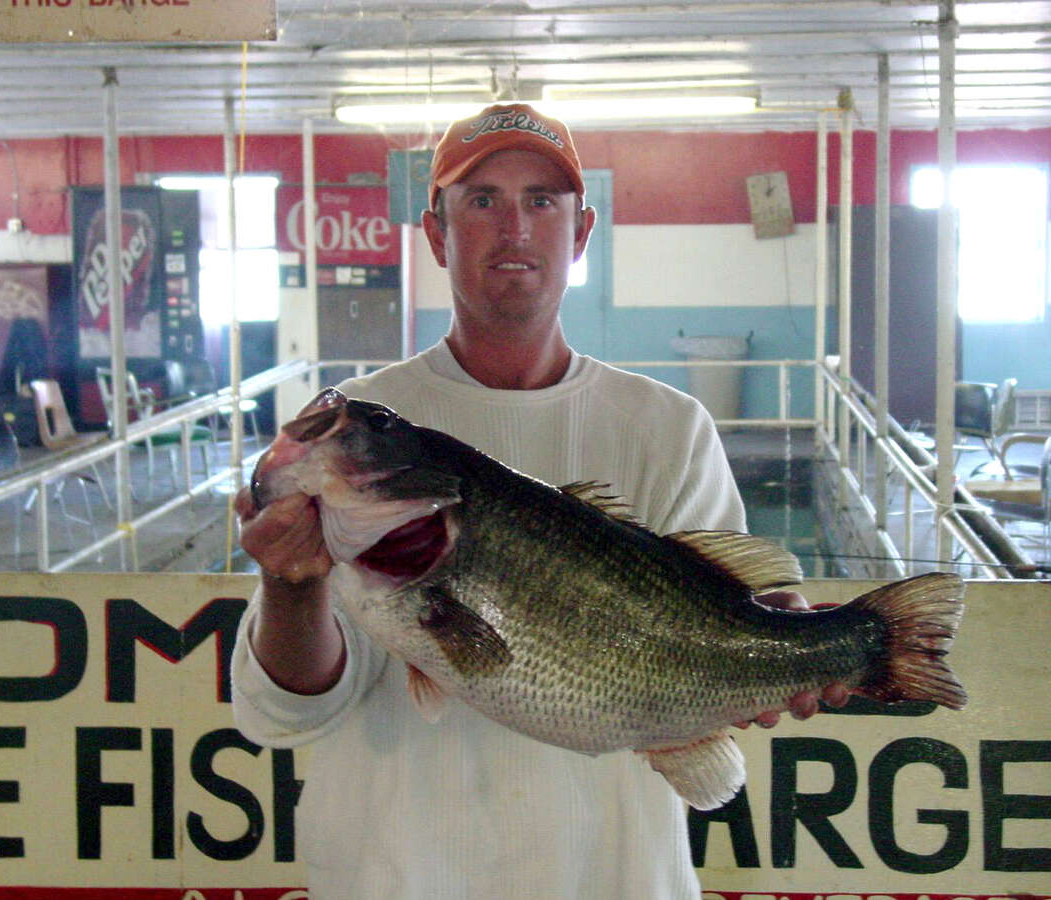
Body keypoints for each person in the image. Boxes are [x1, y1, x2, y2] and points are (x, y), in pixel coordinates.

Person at [231, 102, 848, 899]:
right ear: (436, 234)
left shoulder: (666, 427)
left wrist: (778, 653)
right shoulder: (360, 441)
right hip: (399, 876)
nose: (513, 228)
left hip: (614, 878)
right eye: (481, 199)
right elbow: (284, 714)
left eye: (541, 201)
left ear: (581, 232)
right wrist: (290, 584)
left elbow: (728, 620)